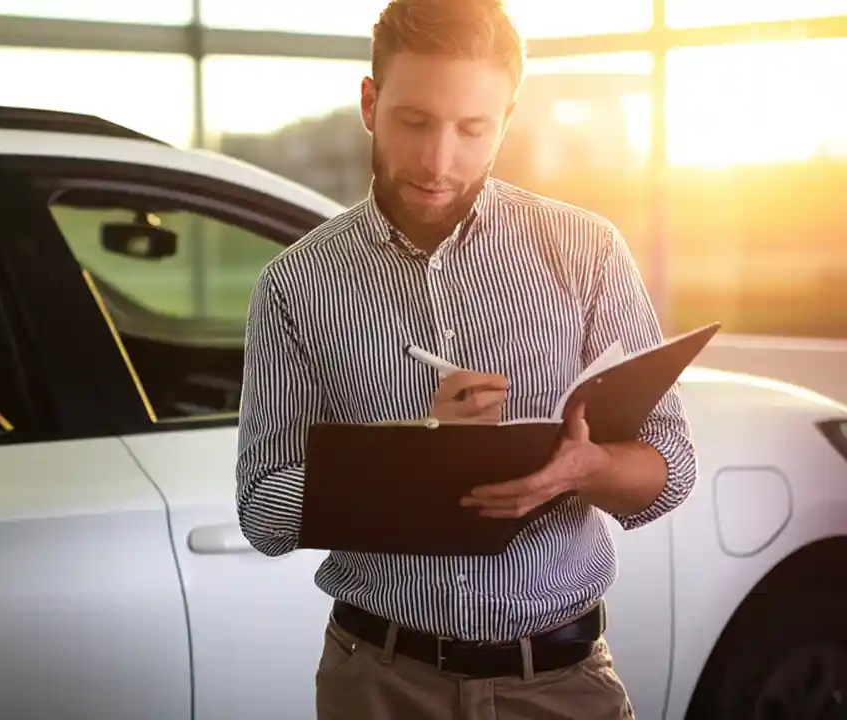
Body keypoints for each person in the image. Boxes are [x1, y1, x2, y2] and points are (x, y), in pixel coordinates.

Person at [234, 0, 698, 717]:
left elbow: (671, 467)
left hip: (563, 684)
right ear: (370, 103)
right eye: (414, 121)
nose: (438, 160)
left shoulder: (588, 251)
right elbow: (263, 512)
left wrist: (588, 470)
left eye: (472, 129)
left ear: (505, 121)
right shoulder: (296, 285)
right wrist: (418, 447)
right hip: (378, 684)